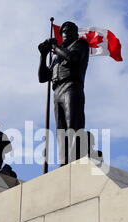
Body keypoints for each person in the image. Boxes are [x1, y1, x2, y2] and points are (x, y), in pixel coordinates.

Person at [38, 21, 90, 166]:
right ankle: (64, 163)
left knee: (72, 124)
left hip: (71, 86)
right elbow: (42, 77)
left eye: (68, 30)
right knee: (60, 130)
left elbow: (73, 58)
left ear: (75, 33)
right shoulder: (57, 57)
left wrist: (55, 47)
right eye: (63, 31)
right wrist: (43, 56)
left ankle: (76, 159)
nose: (65, 33)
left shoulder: (80, 44)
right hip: (57, 91)